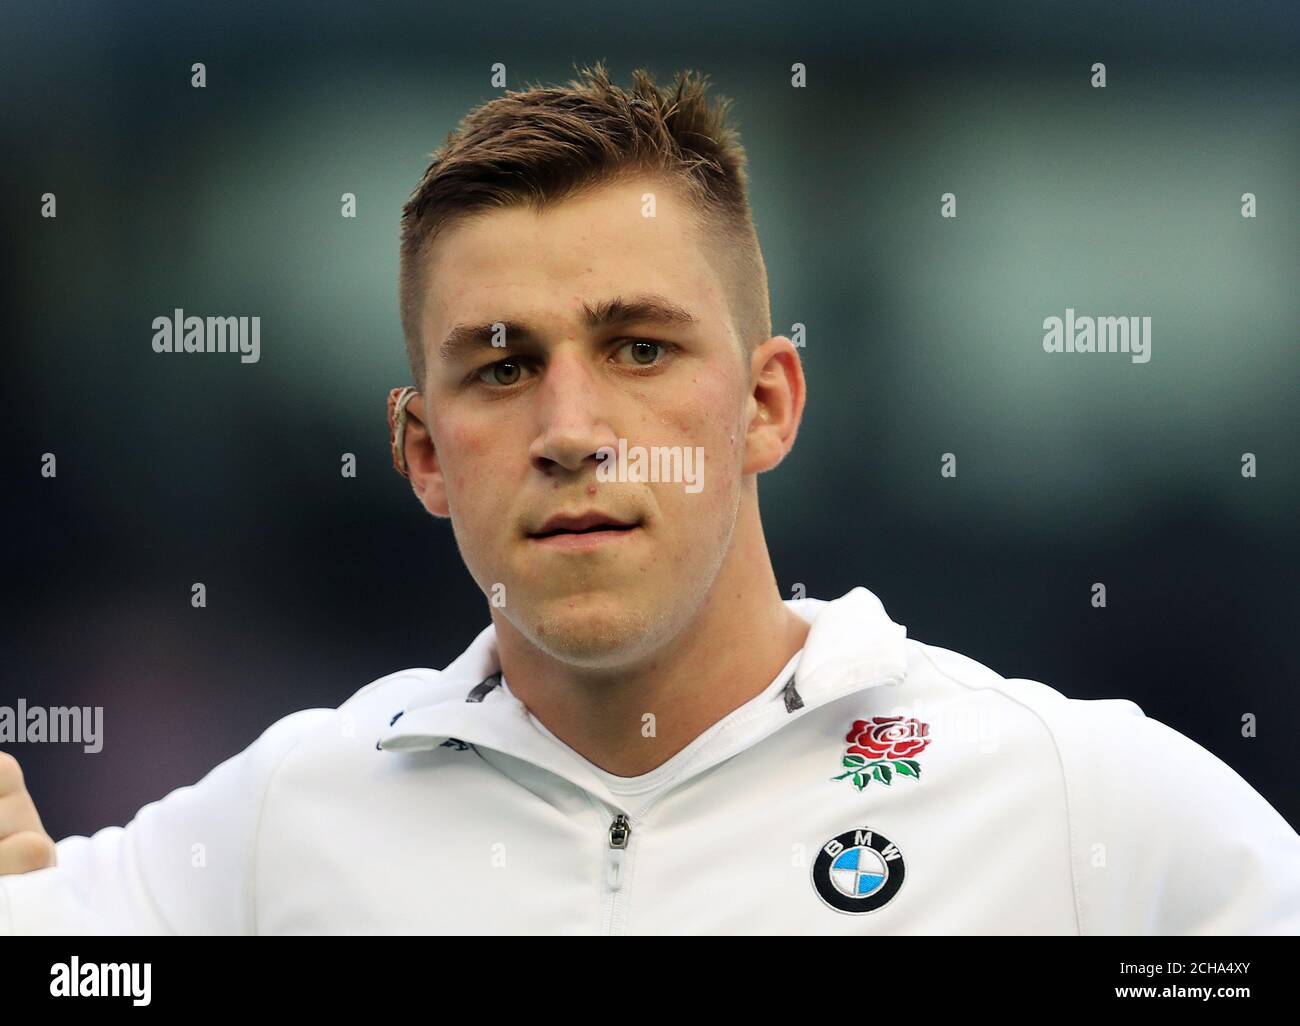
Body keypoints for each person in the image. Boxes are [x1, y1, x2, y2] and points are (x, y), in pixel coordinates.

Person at [2, 63, 1297, 935]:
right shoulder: (280, 822)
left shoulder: (1081, 803)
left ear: (768, 402)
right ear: (422, 453)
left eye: (639, 348)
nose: (571, 431)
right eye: (502, 366)